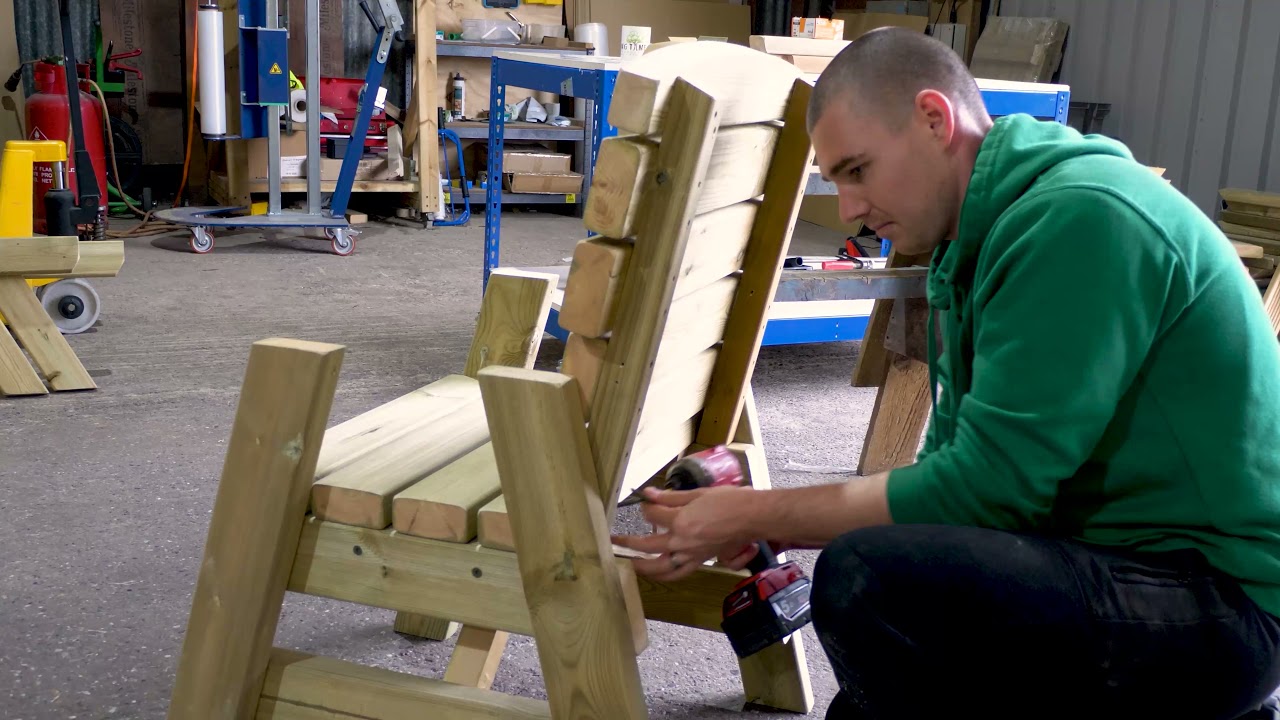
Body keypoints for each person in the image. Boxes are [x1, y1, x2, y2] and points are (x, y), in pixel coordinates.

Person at [613, 27, 1280, 720]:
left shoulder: (1077, 218)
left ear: (935, 119)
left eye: (858, 170)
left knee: (870, 580)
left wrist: (763, 513)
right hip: (1128, 560)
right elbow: (955, 475)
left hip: (1223, 607)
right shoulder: (977, 235)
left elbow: (988, 495)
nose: (850, 213)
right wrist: (772, 522)